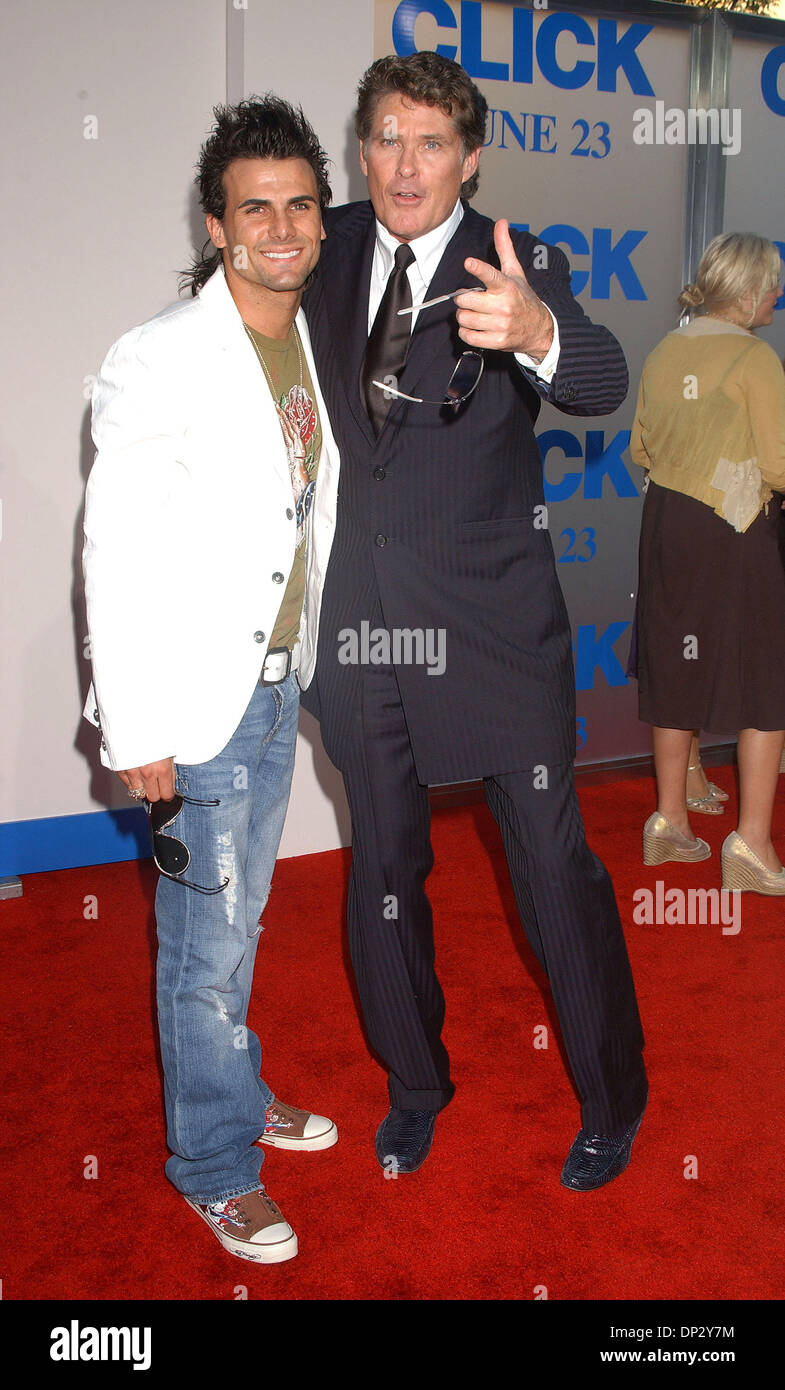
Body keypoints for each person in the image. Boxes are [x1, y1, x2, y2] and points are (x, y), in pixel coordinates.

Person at [302, 51, 648, 1188]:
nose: (407, 164)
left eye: (432, 142)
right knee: (384, 869)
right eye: (388, 137)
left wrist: (539, 330)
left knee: (553, 870)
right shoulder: (322, 246)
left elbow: (598, 376)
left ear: (470, 157)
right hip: (362, 632)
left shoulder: (515, 259)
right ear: (362, 147)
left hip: (496, 628)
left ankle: (610, 1095)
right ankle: (414, 1086)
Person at [82, 97, 341, 1262]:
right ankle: (215, 1164)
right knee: (204, 943)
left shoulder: (312, 338)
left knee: (240, 922)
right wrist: (134, 729)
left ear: (319, 218)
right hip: (195, 705)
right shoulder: (157, 356)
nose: (280, 226)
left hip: (279, 685)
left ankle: (234, 1092)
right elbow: (115, 549)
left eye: (298, 204)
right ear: (217, 224)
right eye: (255, 208)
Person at [629, 232, 785, 893]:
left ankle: (668, 822)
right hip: (737, 528)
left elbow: (639, 451)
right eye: (773, 285)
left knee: (674, 664)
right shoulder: (754, 357)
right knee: (765, 680)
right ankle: (749, 843)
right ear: (748, 292)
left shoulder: (668, 346)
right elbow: (778, 465)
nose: (777, 297)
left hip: (667, 522)